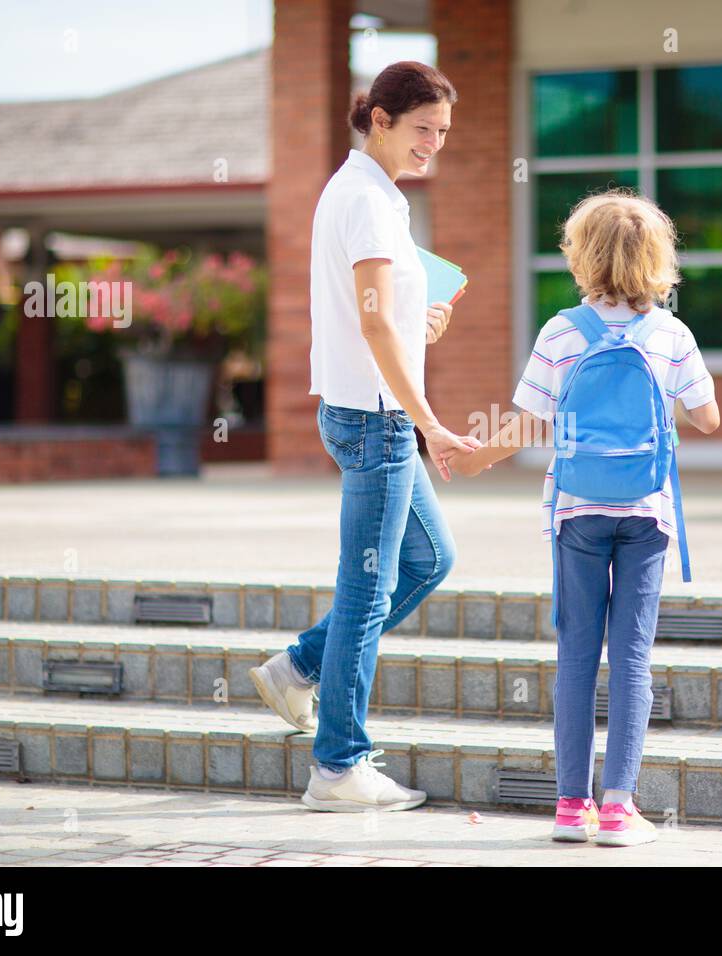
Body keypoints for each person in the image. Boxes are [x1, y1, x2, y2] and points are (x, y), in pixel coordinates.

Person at [447, 189, 720, 846]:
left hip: (576, 512)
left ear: (581, 256)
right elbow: (709, 418)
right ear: (659, 260)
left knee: (576, 655)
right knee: (631, 658)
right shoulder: (671, 334)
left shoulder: (562, 331)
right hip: (647, 513)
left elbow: (529, 422)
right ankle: (621, 810)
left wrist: (478, 458)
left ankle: (571, 809)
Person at [249, 61, 480, 812]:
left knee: (429, 559)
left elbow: (380, 313)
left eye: (442, 134)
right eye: (422, 130)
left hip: (366, 411)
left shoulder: (367, 193)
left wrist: (422, 322)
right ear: (379, 117)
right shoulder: (369, 202)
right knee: (367, 590)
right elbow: (375, 321)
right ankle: (339, 766)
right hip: (378, 422)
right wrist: (431, 424)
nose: (432, 147)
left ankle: (298, 668)